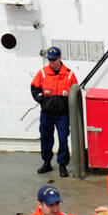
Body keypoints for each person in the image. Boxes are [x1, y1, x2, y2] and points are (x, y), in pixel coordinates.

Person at [30, 47, 78, 177]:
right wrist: (41, 100)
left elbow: (75, 92)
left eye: (53, 60)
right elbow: (34, 88)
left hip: (62, 114)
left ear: (60, 58)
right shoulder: (43, 73)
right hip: (47, 114)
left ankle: (63, 165)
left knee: (63, 139)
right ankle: (47, 163)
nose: (51, 62)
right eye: (49, 60)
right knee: (46, 138)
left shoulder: (69, 74)